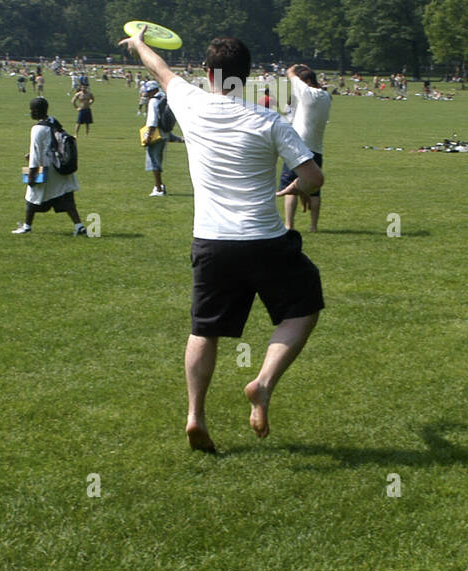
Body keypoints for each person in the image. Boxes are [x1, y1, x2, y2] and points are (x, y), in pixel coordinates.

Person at [121, 27, 324, 451]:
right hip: (265, 240)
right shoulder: (270, 121)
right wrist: (297, 190)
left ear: (206, 73)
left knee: (203, 329)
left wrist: (139, 41)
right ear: (246, 78)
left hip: (212, 242)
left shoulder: (189, 102)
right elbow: (312, 177)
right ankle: (263, 383)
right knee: (304, 307)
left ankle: (195, 415)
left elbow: (159, 69)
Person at [12, 96, 87, 236]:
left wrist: (32, 174)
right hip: (60, 167)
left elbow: (36, 154)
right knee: (67, 198)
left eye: (31, 110)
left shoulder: (37, 129)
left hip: (46, 170)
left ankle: (27, 226)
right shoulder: (53, 122)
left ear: (35, 111)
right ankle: (79, 226)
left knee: (32, 197)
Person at [281, 63, 331, 233]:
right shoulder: (325, 97)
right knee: (315, 190)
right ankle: (314, 226)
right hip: (317, 147)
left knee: (290, 188)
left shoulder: (307, 93)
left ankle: (289, 225)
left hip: (298, 145)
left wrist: (296, 68)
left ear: (308, 81)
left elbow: (290, 74)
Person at [141, 80, 168, 195]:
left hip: (156, 133)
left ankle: (158, 188)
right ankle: (160, 185)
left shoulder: (153, 101)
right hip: (165, 132)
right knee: (158, 160)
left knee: (153, 161)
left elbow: (152, 121)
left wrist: (148, 137)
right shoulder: (165, 98)